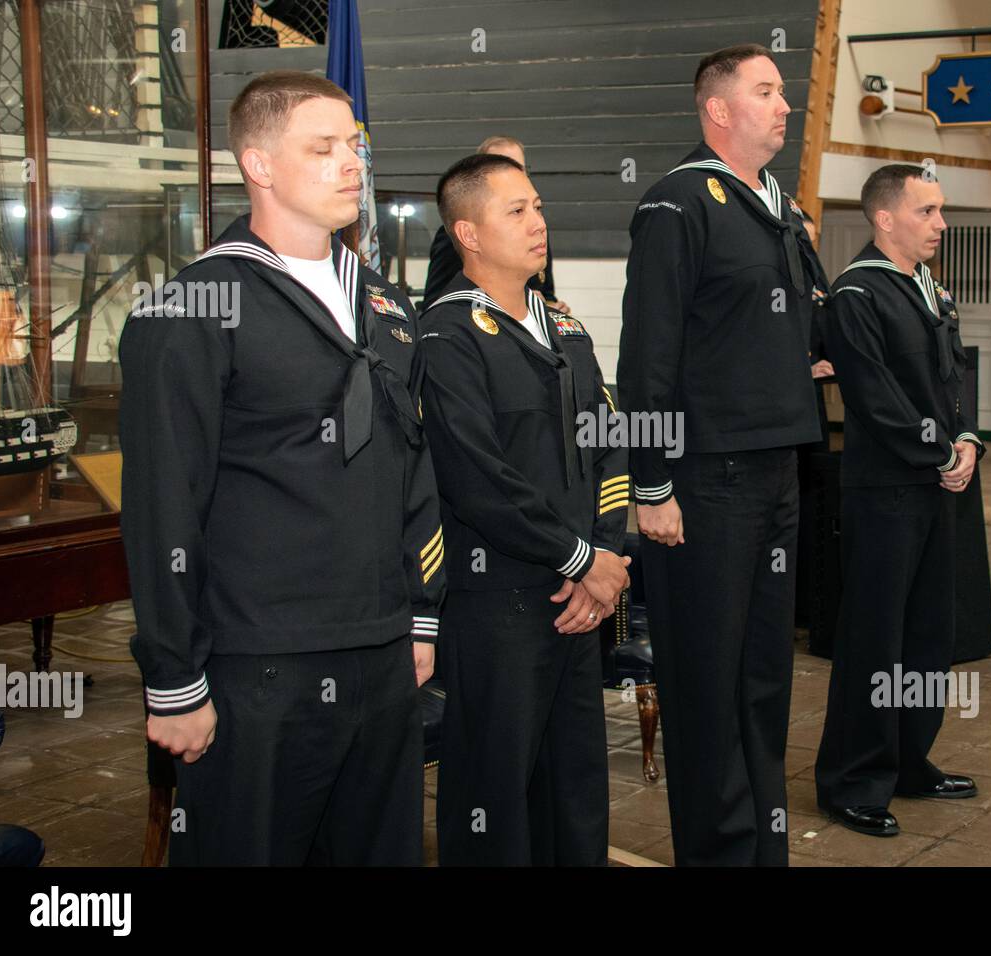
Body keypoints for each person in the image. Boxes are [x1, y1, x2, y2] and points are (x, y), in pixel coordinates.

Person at [119, 70, 444, 865]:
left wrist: (421, 613)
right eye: (323, 148)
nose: (350, 165)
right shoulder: (192, 308)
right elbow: (164, 502)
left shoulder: (387, 305)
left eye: (354, 148)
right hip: (260, 664)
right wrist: (174, 679)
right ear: (259, 165)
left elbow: (415, 470)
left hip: (381, 651)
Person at [616, 44, 821, 866]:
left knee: (764, 680)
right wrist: (653, 484)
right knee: (706, 686)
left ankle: (759, 849)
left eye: (784, 91)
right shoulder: (678, 203)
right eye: (765, 91)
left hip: (777, 471)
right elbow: (648, 355)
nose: (783, 105)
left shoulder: (777, 206)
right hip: (706, 480)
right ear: (718, 109)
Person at [419, 153, 630, 865]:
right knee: (492, 795)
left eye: (538, 206)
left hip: (579, 600)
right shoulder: (446, 338)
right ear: (468, 234)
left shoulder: (566, 330)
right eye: (517, 211)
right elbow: (478, 478)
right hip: (497, 601)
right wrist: (580, 560)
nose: (539, 223)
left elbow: (609, 446)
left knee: (574, 788)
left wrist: (602, 560)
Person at [814, 164, 984, 838]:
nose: (941, 224)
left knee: (926, 636)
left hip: (937, 485)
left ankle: (910, 760)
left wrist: (967, 435)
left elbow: (956, 373)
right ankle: (852, 780)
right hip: (886, 490)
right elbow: (873, 395)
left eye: (940, 211)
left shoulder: (931, 290)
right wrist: (939, 451)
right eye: (928, 212)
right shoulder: (857, 293)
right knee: (873, 640)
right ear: (886, 219)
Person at [421, 136, 568, 313]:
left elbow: (545, 289)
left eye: (519, 167)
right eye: (500, 164)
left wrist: (549, 306)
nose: (512, 173)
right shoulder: (456, 234)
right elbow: (436, 301)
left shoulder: (535, 226)